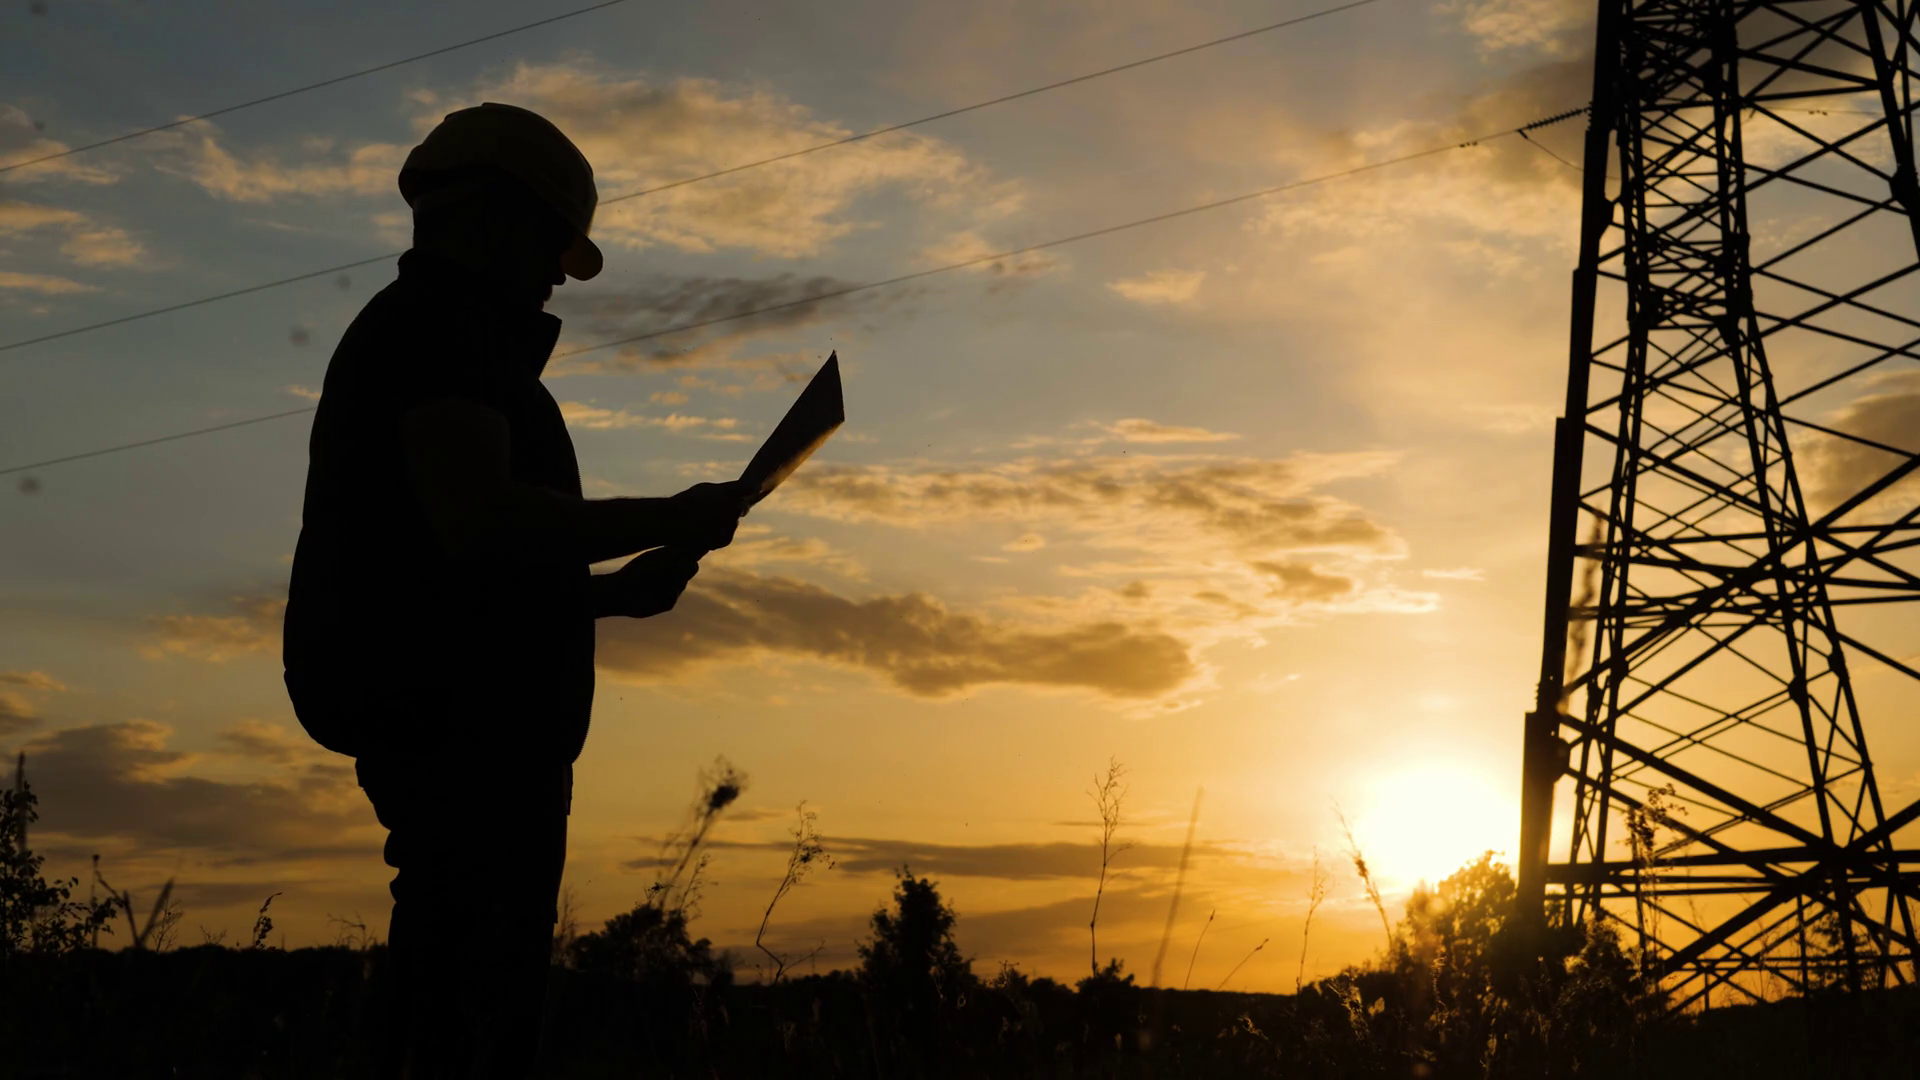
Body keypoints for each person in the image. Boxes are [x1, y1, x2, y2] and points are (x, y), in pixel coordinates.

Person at [282, 102, 745, 1078]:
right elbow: (482, 522)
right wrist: (673, 514)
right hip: (464, 736)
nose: (550, 276)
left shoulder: (456, 342)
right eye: (549, 246)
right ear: (493, 218)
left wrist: (611, 597)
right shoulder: (441, 335)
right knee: (468, 1007)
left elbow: (460, 577)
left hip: (476, 725)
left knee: (453, 986)